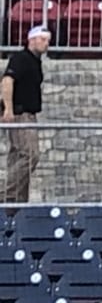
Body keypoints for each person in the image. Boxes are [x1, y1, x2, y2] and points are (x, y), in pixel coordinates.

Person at [2, 26, 49, 203]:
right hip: (21, 113)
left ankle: (15, 204)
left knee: (18, 157)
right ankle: (5, 192)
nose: (46, 44)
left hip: (29, 113)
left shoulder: (35, 62)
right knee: (30, 155)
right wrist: (8, 109)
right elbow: (7, 81)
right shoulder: (21, 59)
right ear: (32, 40)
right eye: (43, 39)